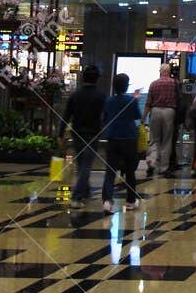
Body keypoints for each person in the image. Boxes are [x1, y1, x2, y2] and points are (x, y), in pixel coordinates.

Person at [61, 65, 106, 204]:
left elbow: (66, 115)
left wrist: (60, 133)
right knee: (86, 165)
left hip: (77, 133)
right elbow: (106, 115)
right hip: (93, 133)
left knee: (81, 164)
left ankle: (85, 191)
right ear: (97, 79)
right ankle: (77, 196)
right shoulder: (101, 95)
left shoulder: (75, 95)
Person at [101, 72, 142, 213]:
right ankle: (130, 200)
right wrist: (136, 98)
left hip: (113, 138)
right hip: (129, 138)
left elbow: (105, 118)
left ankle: (107, 200)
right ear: (126, 86)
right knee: (130, 171)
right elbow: (137, 115)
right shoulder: (132, 100)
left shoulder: (108, 101)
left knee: (110, 171)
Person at [144, 64, 179, 178]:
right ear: (169, 72)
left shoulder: (154, 83)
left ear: (160, 71)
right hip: (169, 111)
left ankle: (152, 163)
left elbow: (148, 102)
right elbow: (178, 99)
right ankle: (164, 168)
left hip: (155, 110)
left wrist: (143, 117)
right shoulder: (174, 83)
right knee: (167, 140)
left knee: (154, 139)